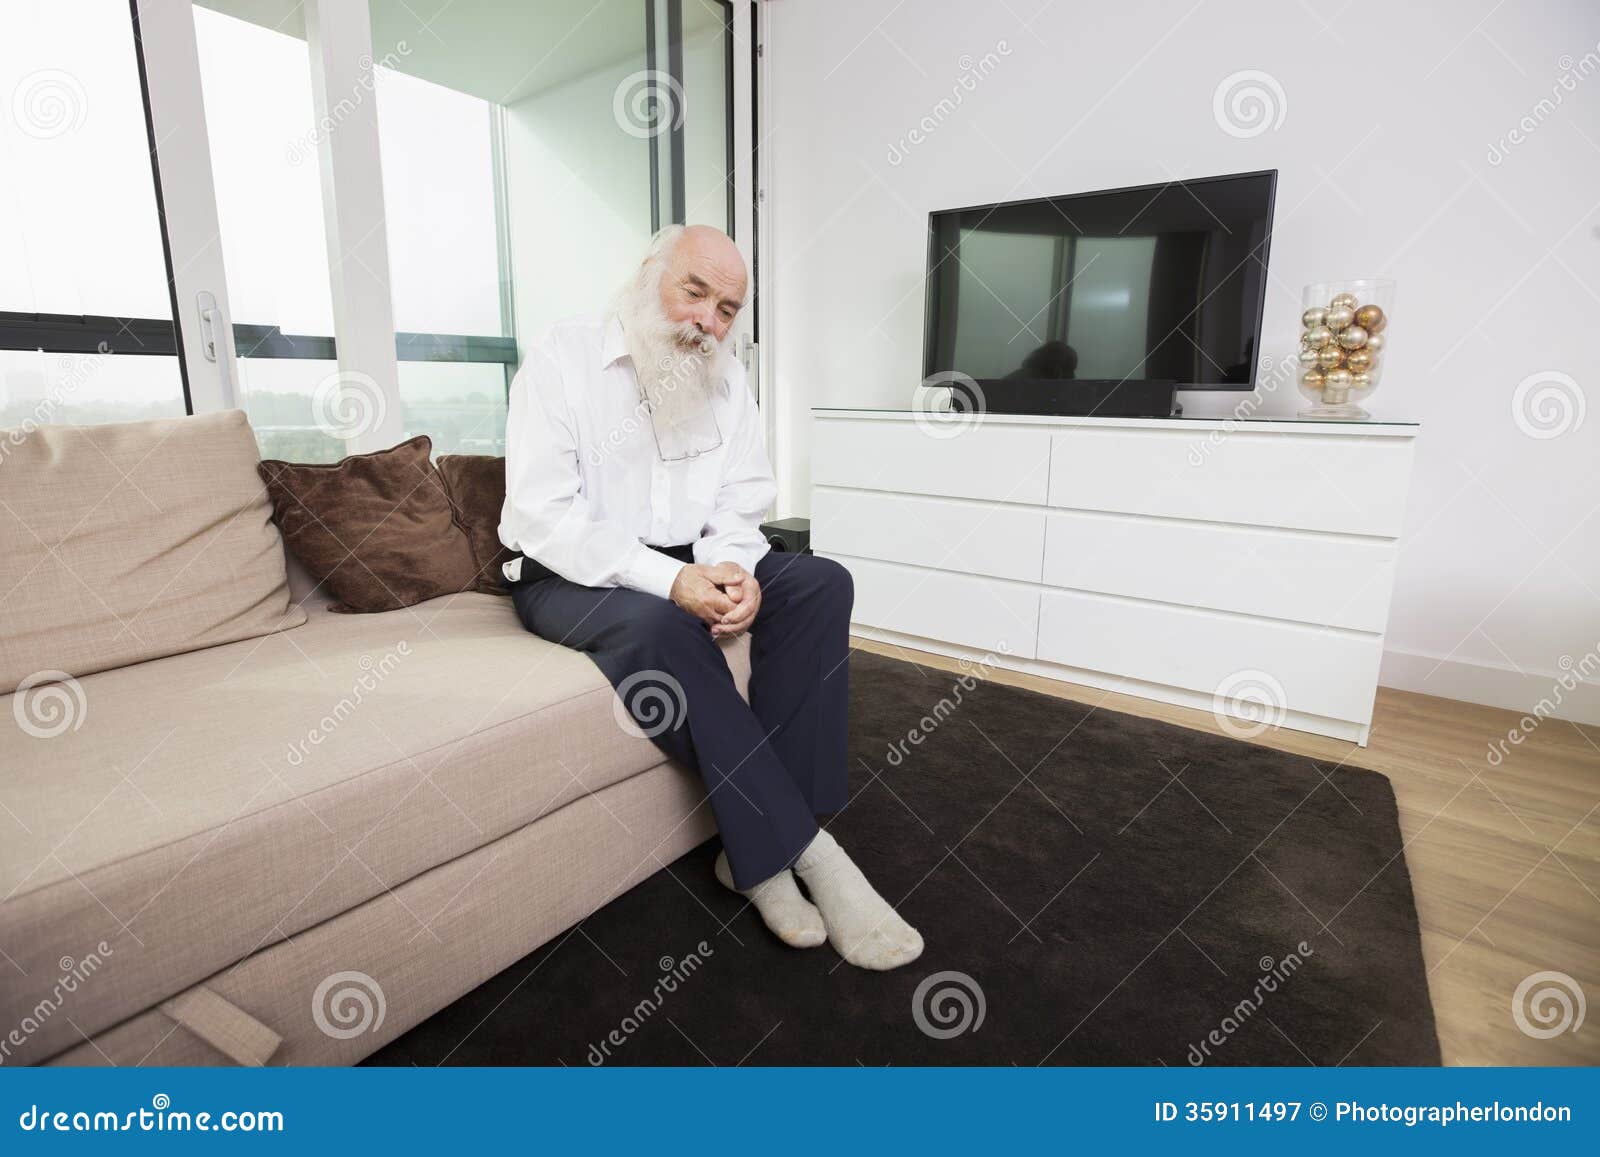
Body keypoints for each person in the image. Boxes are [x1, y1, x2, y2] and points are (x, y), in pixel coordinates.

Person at [498, 224, 923, 971]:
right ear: (646, 276)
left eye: (727, 308)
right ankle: (801, 855)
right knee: (664, 625)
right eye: (693, 292)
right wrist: (672, 580)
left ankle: (752, 846)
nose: (708, 321)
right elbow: (543, 514)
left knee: (822, 582)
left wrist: (733, 570)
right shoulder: (562, 356)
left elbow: (739, 501)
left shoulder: (726, 376)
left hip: (687, 557)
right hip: (567, 570)